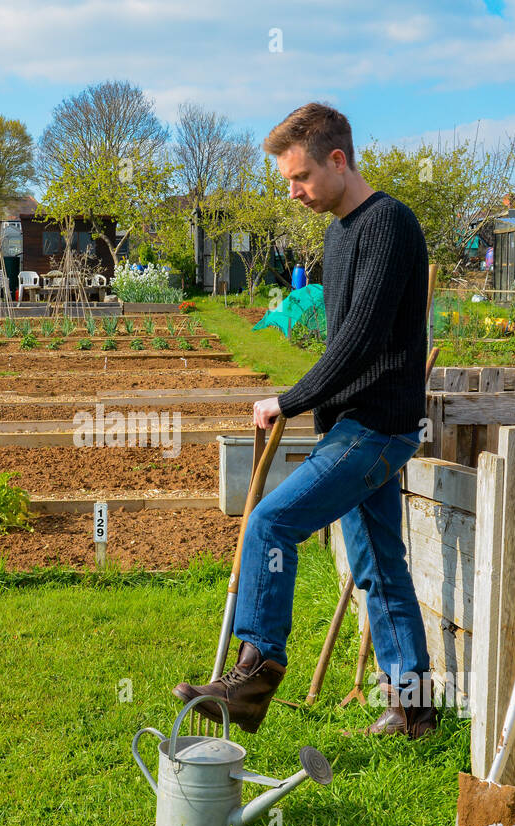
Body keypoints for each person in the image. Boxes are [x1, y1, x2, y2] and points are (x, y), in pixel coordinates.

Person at [173, 102, 438, 740]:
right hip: (352, 425)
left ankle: (254, 677)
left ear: (338, 160)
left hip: (377, 428)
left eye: (300, 178)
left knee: (270, 520)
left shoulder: (388, 224)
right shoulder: (339, 230)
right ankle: (416, 709)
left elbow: (364, 343)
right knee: (379, 564)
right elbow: (341, 341)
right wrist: (311, 404)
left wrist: (288, 400)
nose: (293, 193)